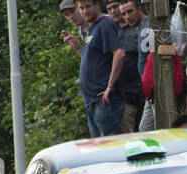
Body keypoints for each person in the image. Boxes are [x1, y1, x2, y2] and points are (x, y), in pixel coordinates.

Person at [65, 0, 126, 137]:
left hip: (104, 101)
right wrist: (77, 47)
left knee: (110, 147)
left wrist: (110, 86)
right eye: (81, 8)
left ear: (97, 5)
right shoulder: (90, 30)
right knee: (98, 148)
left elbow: (119, 54)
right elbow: (92, 60)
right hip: (91, 100)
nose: (85, 11)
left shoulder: (104, 25)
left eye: (88, 7)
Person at [119, 1, 154, 131]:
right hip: (148, 91)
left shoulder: (148, 27)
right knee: (144, 129)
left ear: (139, 10)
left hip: (156, 87)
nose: (127, 17)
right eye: (123, 14)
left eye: (130, 11)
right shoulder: (140, 28)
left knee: (161, 127)